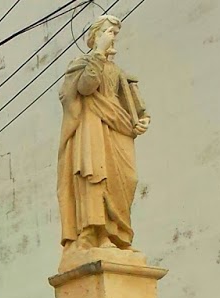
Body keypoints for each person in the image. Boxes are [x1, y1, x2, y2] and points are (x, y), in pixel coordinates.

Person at [58, 15, 150, 251]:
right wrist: (98, 53)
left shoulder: (118, 71)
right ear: (96, 36)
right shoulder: (81, 63)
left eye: (115, 34)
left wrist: (143, 120)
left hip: (119, 128)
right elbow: (85, 88)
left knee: (128, 179)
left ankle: (120, 236)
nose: (114, 37)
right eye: (109, 32)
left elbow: (134, 104)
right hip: (93, 125)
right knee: (97, 177)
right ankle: (98, 234)